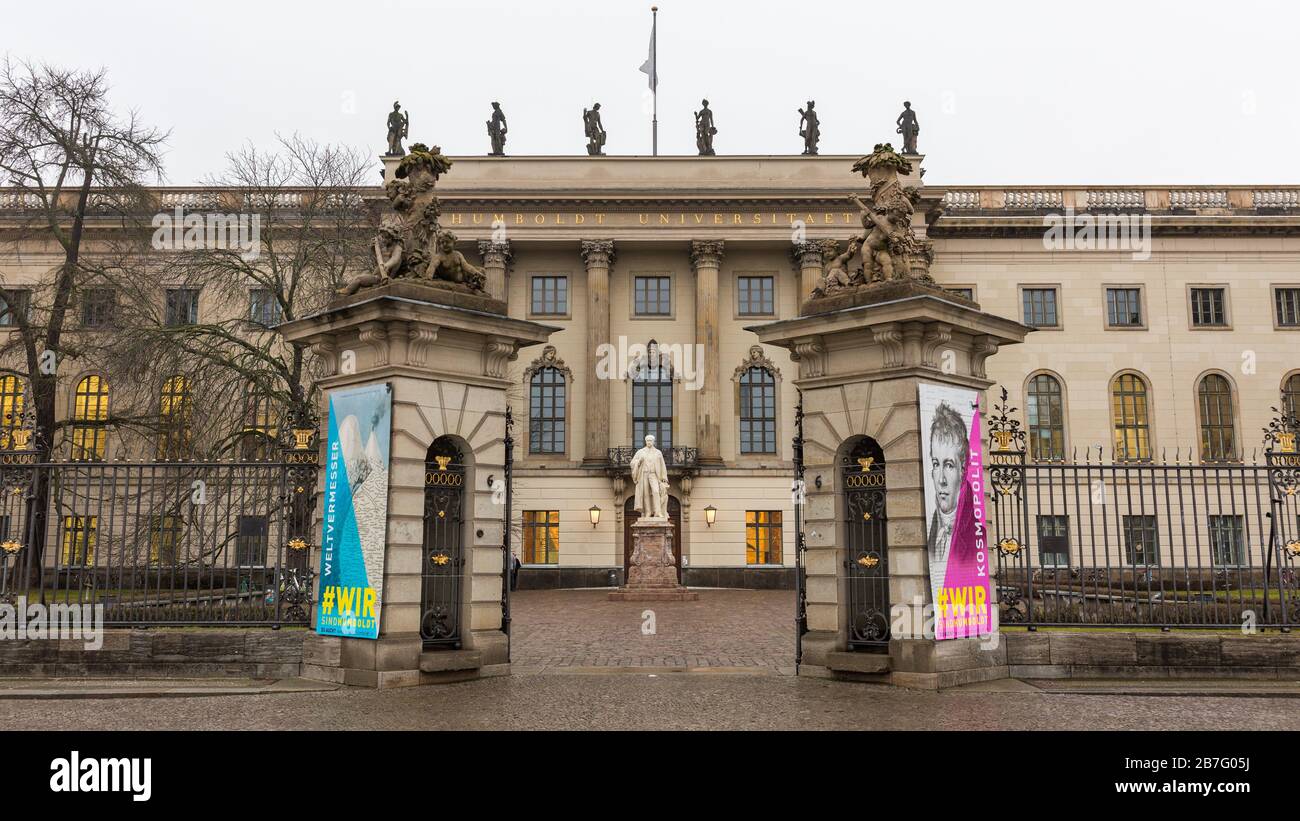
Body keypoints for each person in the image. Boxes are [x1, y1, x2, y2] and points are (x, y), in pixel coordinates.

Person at [926, 401, 968, 569]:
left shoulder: (975, 534)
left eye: (949, 465)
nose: (941, 479)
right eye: (936, 464)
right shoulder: (930, 530)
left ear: (962, 470)